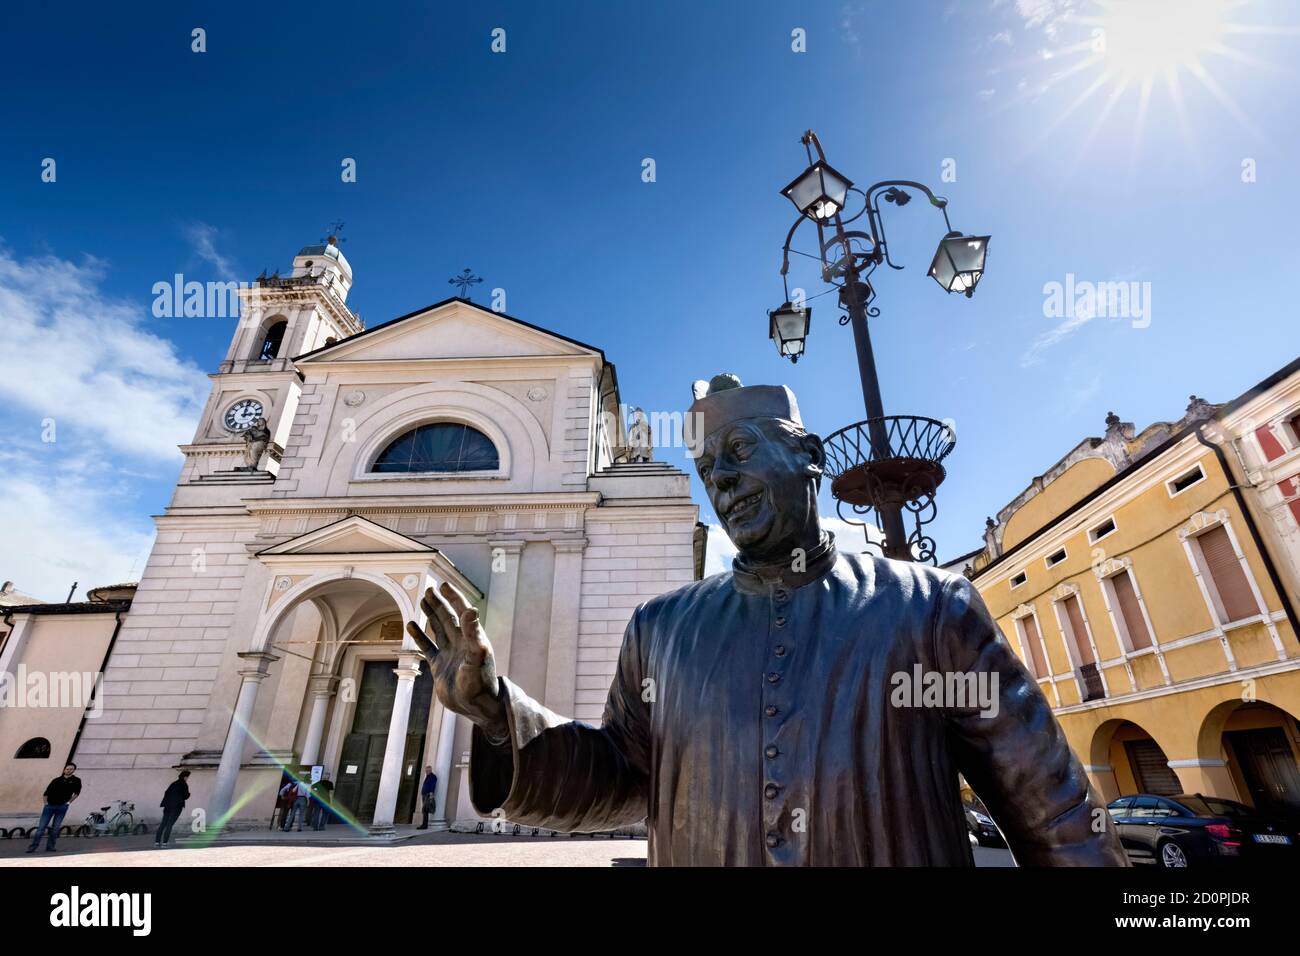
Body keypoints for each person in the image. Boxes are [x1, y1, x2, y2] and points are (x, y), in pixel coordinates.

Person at [407, 374, 1128, 866]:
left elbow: (1056, 814)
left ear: (809, 455)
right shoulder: (659, 629)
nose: (719, 479)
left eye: (741, 451)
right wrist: (501, 716)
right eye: (706, 466)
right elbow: (622, 780)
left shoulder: (930, 607)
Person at [26, 763, 82, 853]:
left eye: (71, 769)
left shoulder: (76, 780)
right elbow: (46, 793)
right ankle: (33, 847)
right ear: (64, 769)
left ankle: (50, 847)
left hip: (62, 807)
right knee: (41, 828)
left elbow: (76, 793)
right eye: (67, 769)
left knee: (55, 828)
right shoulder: (56, 780)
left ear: (74, 770)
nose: (69, 770)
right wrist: (46, 803)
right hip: (50, 806)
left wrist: (68, 802)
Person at [155, 770, 190, 848]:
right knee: (169, 825)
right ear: (185, 777)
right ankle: (165, 843)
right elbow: (186, 796)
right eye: (187, 777)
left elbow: (166, 793)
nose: (187, 779)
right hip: (177, 807)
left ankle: (157, 842)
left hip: (167, 806)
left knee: (163, 824)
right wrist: (188, 794)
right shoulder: (184, 784)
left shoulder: (173, 784)